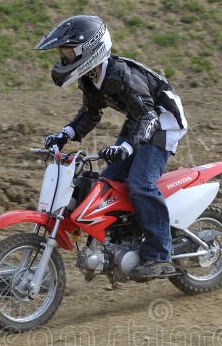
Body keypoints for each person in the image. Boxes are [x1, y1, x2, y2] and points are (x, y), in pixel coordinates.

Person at [35, 15, 188, 280]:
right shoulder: (90, 77)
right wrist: (64, 134)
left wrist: (126, 147)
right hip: (139, 121)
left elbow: (150, 117)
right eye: (63, 53)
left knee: (141, 184)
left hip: (164, 123)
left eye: (68, 52)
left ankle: (159, 254)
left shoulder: (122, 75)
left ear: (89, 48)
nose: (64, 58)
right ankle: (126, 239)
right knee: (108, 184)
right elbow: (91, 113)